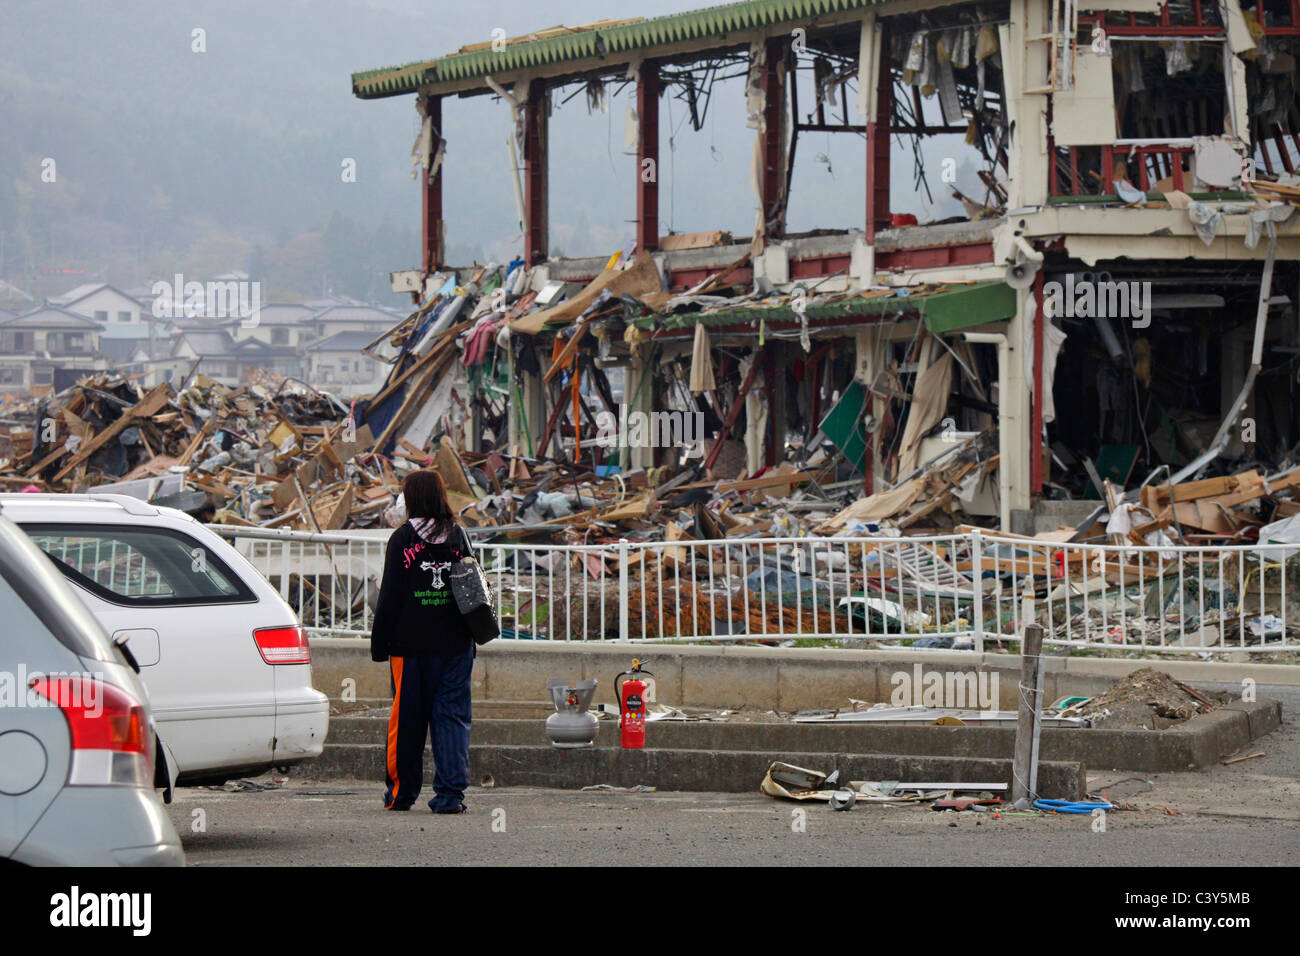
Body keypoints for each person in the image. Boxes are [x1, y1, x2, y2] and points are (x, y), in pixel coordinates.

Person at [370, 467, 475, 813]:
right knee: (452, 720)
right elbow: (473, 587)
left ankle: (401, 794)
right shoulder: (457, 536)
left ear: (412, 499)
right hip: (457, 647)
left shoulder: (402, 539)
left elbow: (391, 596)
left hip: (411, 647)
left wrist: (379, 643)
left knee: (407, 721)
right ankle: (449, 796)